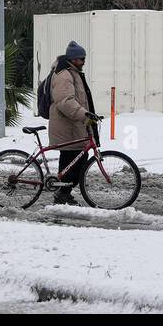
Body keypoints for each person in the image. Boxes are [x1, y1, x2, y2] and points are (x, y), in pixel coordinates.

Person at [48, 40, 100, 205]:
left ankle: (63, 192)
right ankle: (62, 193)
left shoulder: (73, 72)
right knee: (72, 160)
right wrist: (84, 114)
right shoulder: (64, 75)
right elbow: (65, 101)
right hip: (66, 126)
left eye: (84, 58)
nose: (83, 62)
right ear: (72, 59)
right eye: (80, 59)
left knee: (78, 160)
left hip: (73, 125)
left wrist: (87, 114)